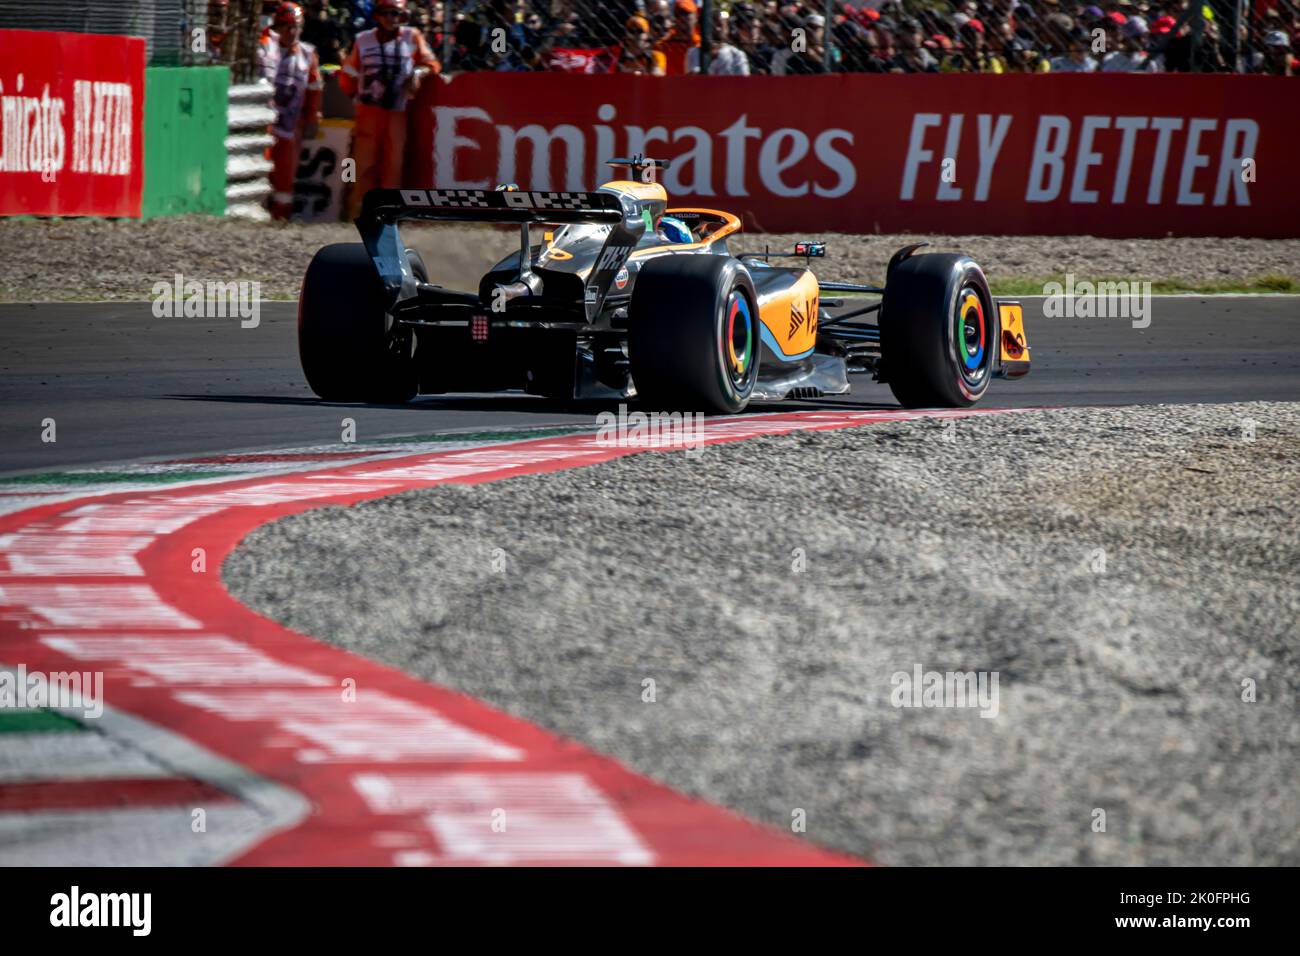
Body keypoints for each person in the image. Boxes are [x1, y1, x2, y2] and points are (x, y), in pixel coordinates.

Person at [338, 0, 439, 220]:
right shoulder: (362, 40)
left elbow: (432, 64)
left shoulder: (412, 37)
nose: (390, 18)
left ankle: (387, 216)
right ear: (377, 16)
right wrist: (356, 96)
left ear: (402, 17)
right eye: (385, 13)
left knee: (393, 164)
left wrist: (417, 73)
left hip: (397, 112)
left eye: (396, 14)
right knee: (364, 164)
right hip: (368, 112)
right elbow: (347, 73)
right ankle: (360, 213)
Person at [257, 2, 323, 221]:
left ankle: (281, 220)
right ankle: (257, 217)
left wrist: (313, 118)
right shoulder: (265, 45)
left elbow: (314, 89)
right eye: (286, 26)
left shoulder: (308, 53)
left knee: (285, 178)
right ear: (277, 26)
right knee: (260, 173)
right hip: (263, 126)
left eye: (296, 26)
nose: (292, 31)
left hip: (289, 126)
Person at [656, 0, 701, 75]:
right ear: (674, 20)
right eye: (678, 15)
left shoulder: (700, 44)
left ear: (696, 17)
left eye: (687, 14)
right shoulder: (663, 46)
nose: (682, 19)